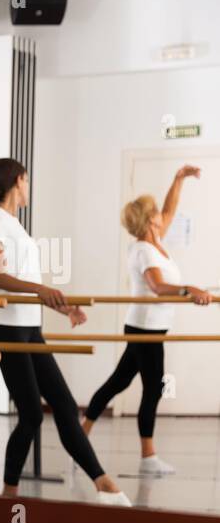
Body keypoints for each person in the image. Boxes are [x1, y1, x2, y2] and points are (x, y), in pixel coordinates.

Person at [0, 157, 129, 504]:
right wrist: (41, 291)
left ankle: (100, 480)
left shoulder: (15, 226)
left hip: (29, 327)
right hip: (7, 329)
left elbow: (30, 285)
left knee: (62, 403)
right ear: (18, 181)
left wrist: (62, 307)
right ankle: (9, 494)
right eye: (27, 182)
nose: (29, 188)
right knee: (31, 415)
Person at [83, 166, 212, 475]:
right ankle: (148, 457)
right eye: (155, 211)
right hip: (145, 328)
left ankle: (82, 435)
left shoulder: (156, 240)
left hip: (151, 326)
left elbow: (171, 207)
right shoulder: (143, 250)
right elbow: (156, 287)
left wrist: (178, 178)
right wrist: (188, 290)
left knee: (119, 381)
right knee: (152, 387)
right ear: (148, 220)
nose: (161, 213)